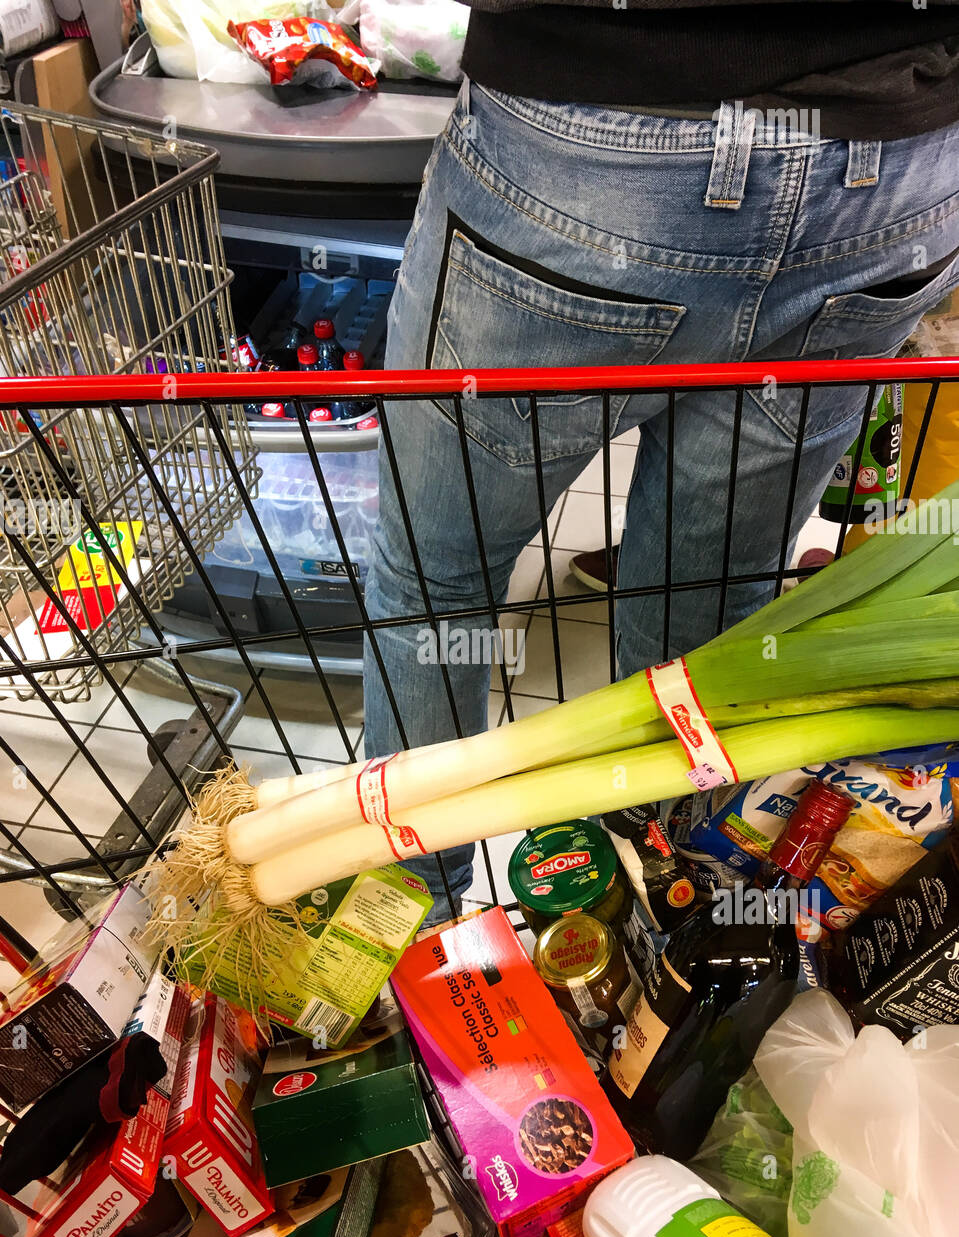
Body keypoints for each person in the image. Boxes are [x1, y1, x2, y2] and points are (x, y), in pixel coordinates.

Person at [363, 0, 959, 919]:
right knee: (707, 601)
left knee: (438, 584)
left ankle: (414, 933)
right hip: (891, 165)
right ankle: (640, 904)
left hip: (597, 143)